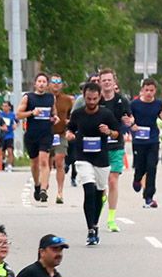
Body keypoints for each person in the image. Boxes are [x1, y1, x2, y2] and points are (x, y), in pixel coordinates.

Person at [66, 83, 120, 245]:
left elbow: (117, 133)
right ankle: (90, 230)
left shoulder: (106, 114)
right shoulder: (77, 114)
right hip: (83, 158)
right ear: (84, 96)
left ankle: (95, 224)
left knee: (98, 194)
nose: (91, 102)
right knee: (88, 191)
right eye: (88, 99)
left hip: (101, 160)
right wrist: (69, 135)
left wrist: (109, 132)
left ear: (99, 98)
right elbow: (69, 129)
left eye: (94, 99)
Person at [96, 69, 133, 232]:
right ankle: (101, 198)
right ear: (100, 83)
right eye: (104, 80)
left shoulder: (121, 100)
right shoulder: (95, 100)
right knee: (101, 184)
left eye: (109, 80)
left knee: (113, 180)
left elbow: (130, 119)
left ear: (114, 82)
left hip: (116, 145)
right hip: (98, 146)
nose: (107, 83)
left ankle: (111, 219)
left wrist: (129, 121)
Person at [16, 73, 57, 204]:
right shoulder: (28, 97)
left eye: (44, 81)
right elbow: (18, 114)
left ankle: (44, 190)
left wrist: (55, 118)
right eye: (39, 81)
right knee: (34, 163)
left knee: (44, 160)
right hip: (32, 135)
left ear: (47, 84)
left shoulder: (51, 98)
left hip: (46, 134)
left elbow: (54, 113)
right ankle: (37, 185)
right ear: (35, 84)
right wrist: (31, 113)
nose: (41, 84)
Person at [129, 78, 162, 209]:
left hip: (153, 139)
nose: (149, 93)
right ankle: (137, 178)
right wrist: (132, 124)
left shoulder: (158, 104)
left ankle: (149, 196)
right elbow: (128, 118)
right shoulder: (134, 104)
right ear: (142, 90)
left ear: (155, 91)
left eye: (151, 90)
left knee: (152, 167)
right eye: (146, 90)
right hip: (139, 140)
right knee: (140, 165)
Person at [50, 75, 75, 204]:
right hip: (45, 135)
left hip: (60, 134)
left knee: (59, 162)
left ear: (61, 85)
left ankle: (60, 192)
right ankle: (43, 186)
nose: (56, 84)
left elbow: (73, 116)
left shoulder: (67, 100)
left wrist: (70, 123)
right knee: (45, 163)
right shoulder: (44, 98)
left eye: (58, 82)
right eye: (53, 82)